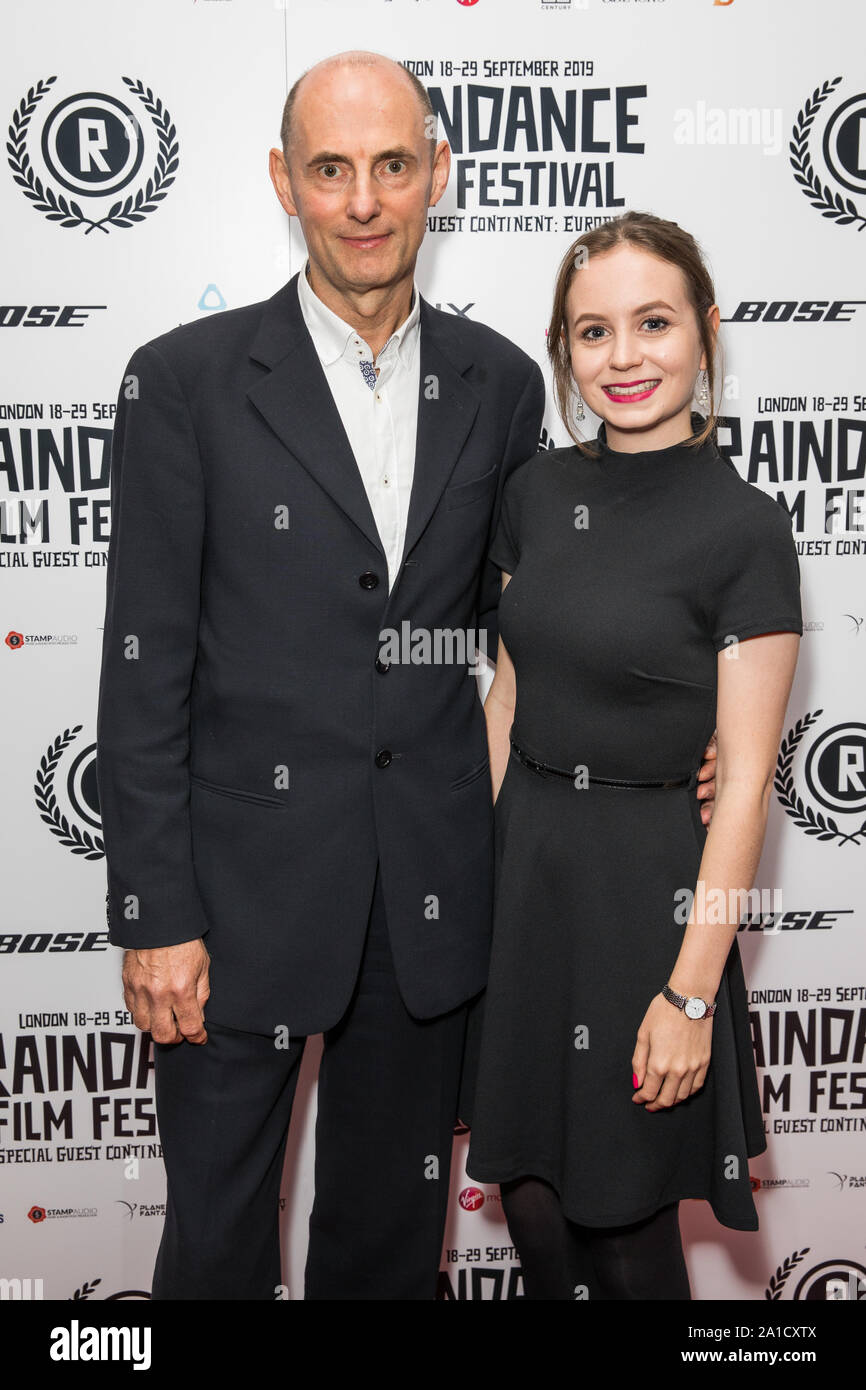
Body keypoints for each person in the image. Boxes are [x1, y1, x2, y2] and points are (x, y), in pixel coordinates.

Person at [96, 52, 715, 1300]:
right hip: (230, 900)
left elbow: (536, 619)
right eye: (331, 170)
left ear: (438, 171)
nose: (365, 199)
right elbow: (141, 665)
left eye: (392, 165)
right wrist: (153, 910)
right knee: (212, 1246)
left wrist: (673, 734)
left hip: (433, 895)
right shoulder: (185, 382)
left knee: (387, 1246)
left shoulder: (496, 382)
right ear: (287, 182)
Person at [464, 212, 802, 1301]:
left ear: (704, 331)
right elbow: (506, 697)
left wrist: (690, 995)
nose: (622, 358)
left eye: (651, 324)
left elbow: (744, 776)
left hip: (645, 904)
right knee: (529, 1196)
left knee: (620, 1220)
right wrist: (476, 889)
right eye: (592, 332)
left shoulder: (744, 526)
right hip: (528, 883)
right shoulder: (533, 494)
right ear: (564, 349)